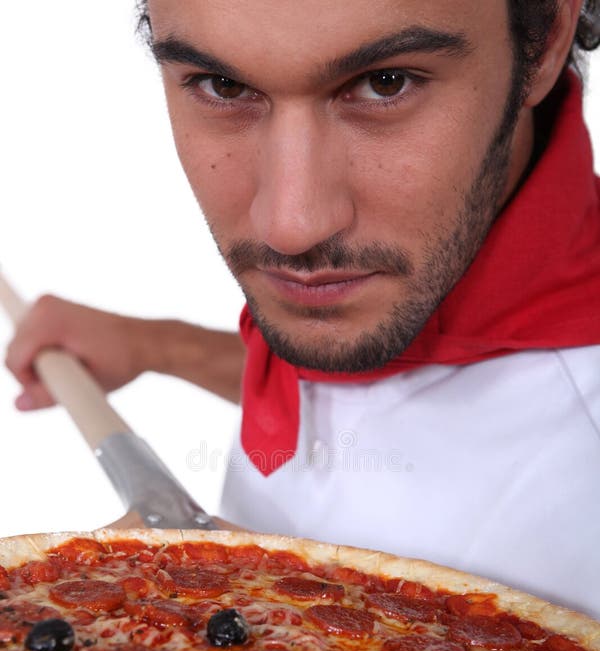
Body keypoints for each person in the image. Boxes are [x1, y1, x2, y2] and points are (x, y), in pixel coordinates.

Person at [5, 1, 600, 616]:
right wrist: (164, 347)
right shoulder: (411, 295)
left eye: (385, 83)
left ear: (545, 39)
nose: (290, 227)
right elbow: (381, 401)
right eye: (223, 85)